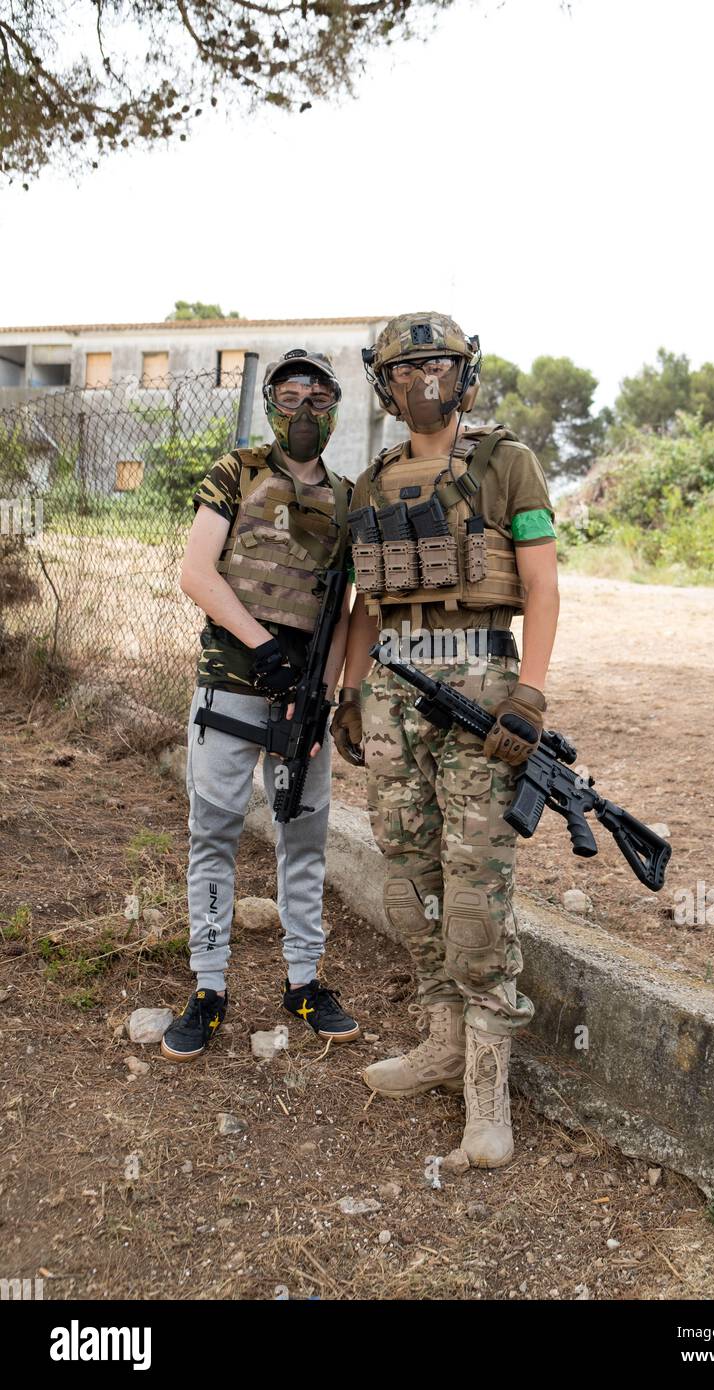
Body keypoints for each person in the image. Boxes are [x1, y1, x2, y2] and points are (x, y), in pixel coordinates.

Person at [331, 312, 559, 1166]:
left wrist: (530, 693)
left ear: (463, 374)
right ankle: (442, 1038)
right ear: (384, 383)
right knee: (407, 877)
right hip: (394, 691)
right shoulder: (371, 484)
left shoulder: (508, 463)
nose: (421, 380)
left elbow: (541, 586)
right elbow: (364, 606)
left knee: (474, 891)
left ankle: (488, 1087)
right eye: (404, 368)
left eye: (437, 365)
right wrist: (351, 695)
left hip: (480, 689)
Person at [161, 349, 359, 1062]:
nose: (304, 410)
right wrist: (264, 651)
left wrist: (326, 694)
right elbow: (196, 571)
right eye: (290, 395)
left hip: (300, 707)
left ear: (336, 408)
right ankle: (208, 988)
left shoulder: (347, 496)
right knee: (212, 836)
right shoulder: (236, 471)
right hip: (230, 688)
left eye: (318, 398)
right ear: (270, 403)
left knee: (303, 842)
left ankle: (303, 982)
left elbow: (345, 610)